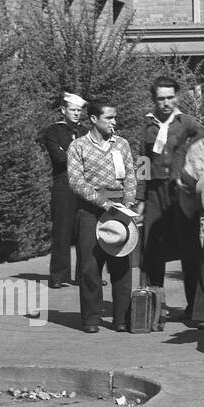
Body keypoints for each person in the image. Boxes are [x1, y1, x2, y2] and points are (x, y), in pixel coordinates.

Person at [138, 76, 204, 324]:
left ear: (177, 97)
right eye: (161, 98)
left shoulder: (188, 123)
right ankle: (155, 306)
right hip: (155, 192)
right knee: (152, 248)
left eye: (170, 97)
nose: (166, 103)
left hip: (181, 192)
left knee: (189, 249)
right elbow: (143, 163)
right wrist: (140, 197)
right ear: (154, 99)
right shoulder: (148, 125)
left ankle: (194, 306)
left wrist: (193, 172)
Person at [65, 98, 139, 333]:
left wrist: (127, 203)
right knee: (90, 266)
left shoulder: (122, 145)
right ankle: (91, 319)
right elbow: (76, 182)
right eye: (109, 117)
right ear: (94, 119)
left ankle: (121, 319)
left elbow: (130, 176)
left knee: (121, 266)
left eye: (115, 117)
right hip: (91, 210)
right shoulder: (78, 146)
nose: (114, 122)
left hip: (119, 209)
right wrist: (103, 203)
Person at [39, 92, 86, 288]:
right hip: (64, 185)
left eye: (79, 110)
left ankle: (86, 275)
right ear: (63, 110)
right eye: (73, 110)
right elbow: (59, 159)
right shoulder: (53, 132)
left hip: (85, 187)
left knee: (87, 232)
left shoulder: (86, 132)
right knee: (62, 232)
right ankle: (59, 276)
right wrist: (84, 158)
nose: (76, 114)